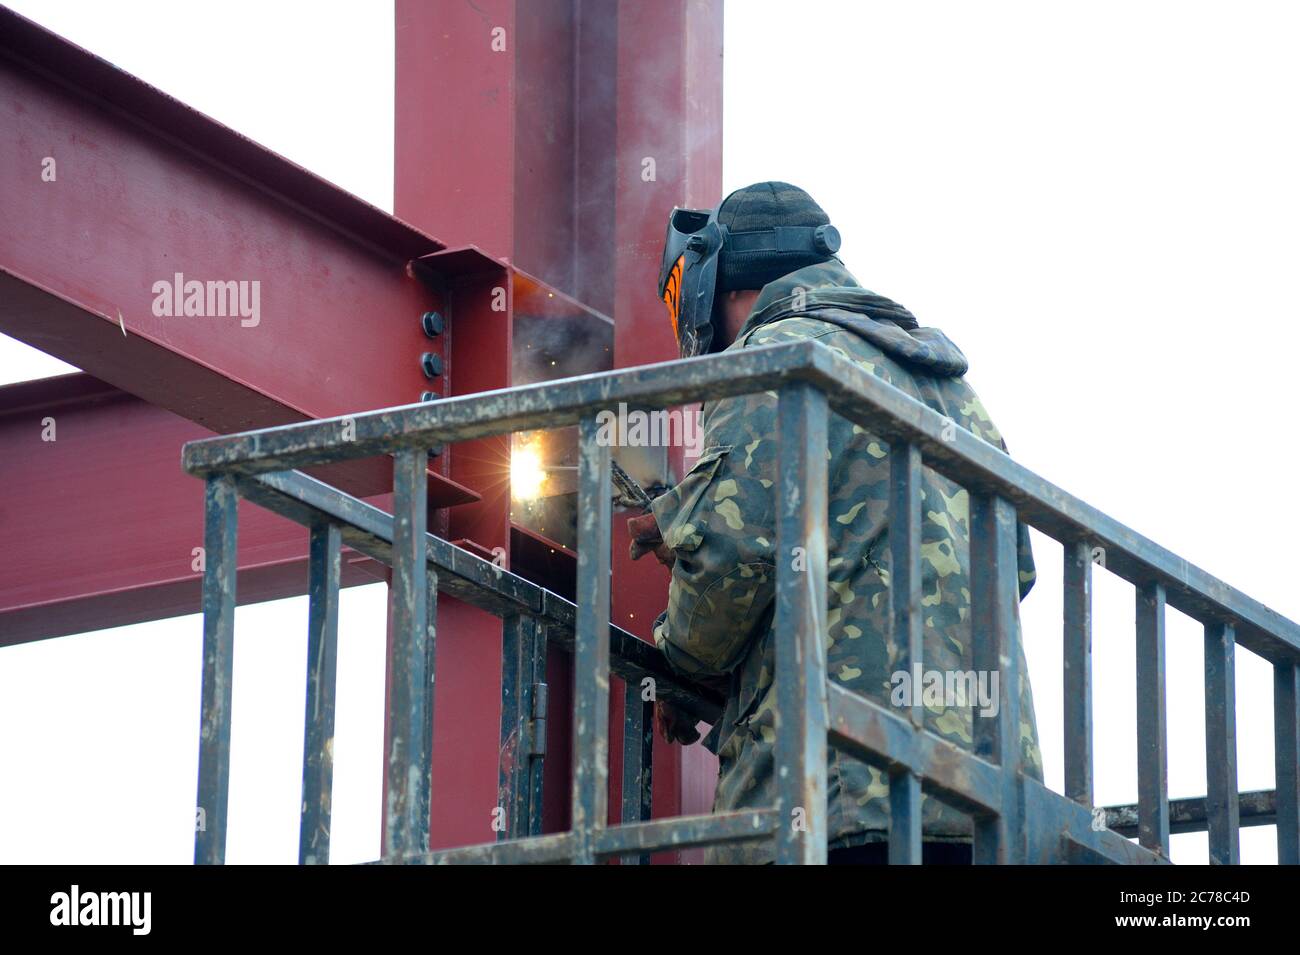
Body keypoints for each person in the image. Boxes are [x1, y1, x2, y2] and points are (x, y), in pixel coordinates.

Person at [628, 181, 1044, 864]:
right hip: (992, 806)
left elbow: (728, 571)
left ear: (719, 286)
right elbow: (1012, 570)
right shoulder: (952, 391)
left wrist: (677, 656)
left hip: (844, 801)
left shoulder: (777, 357)